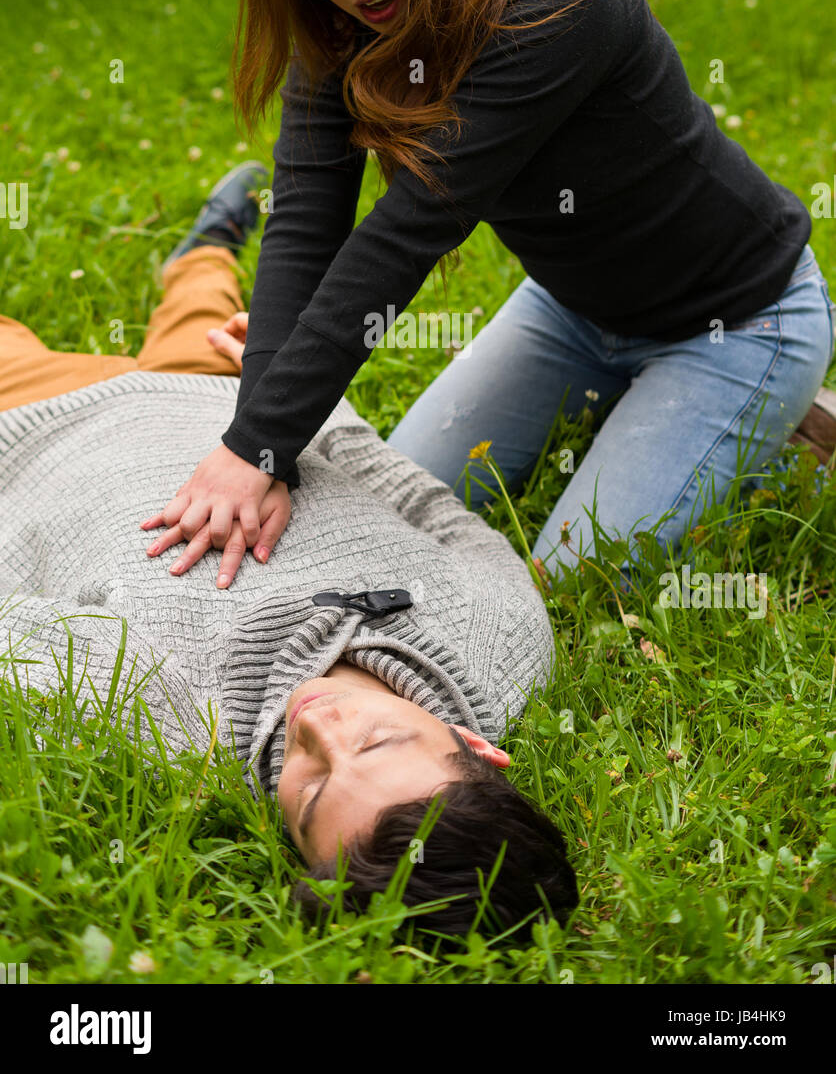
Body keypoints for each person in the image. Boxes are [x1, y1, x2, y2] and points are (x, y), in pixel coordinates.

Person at [141, 0, 836, 595]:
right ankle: (663, 416)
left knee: (560, 585)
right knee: (396, 514)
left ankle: (757, 408)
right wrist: (262, 443)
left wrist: (257, 443)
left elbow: (406, 233)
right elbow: (305, 224)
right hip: (572, 310)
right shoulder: (336, 18)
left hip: (738, 317)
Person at [0, 167, 578, 939]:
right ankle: (207, 245)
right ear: (477, 745)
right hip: (236, 397)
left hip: (39, 424)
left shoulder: (171, 726)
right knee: (204, 306)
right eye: (377, 739)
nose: (319, 728)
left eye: (310, 797)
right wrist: (304, 401)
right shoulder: (499, 640)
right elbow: (435, 509)